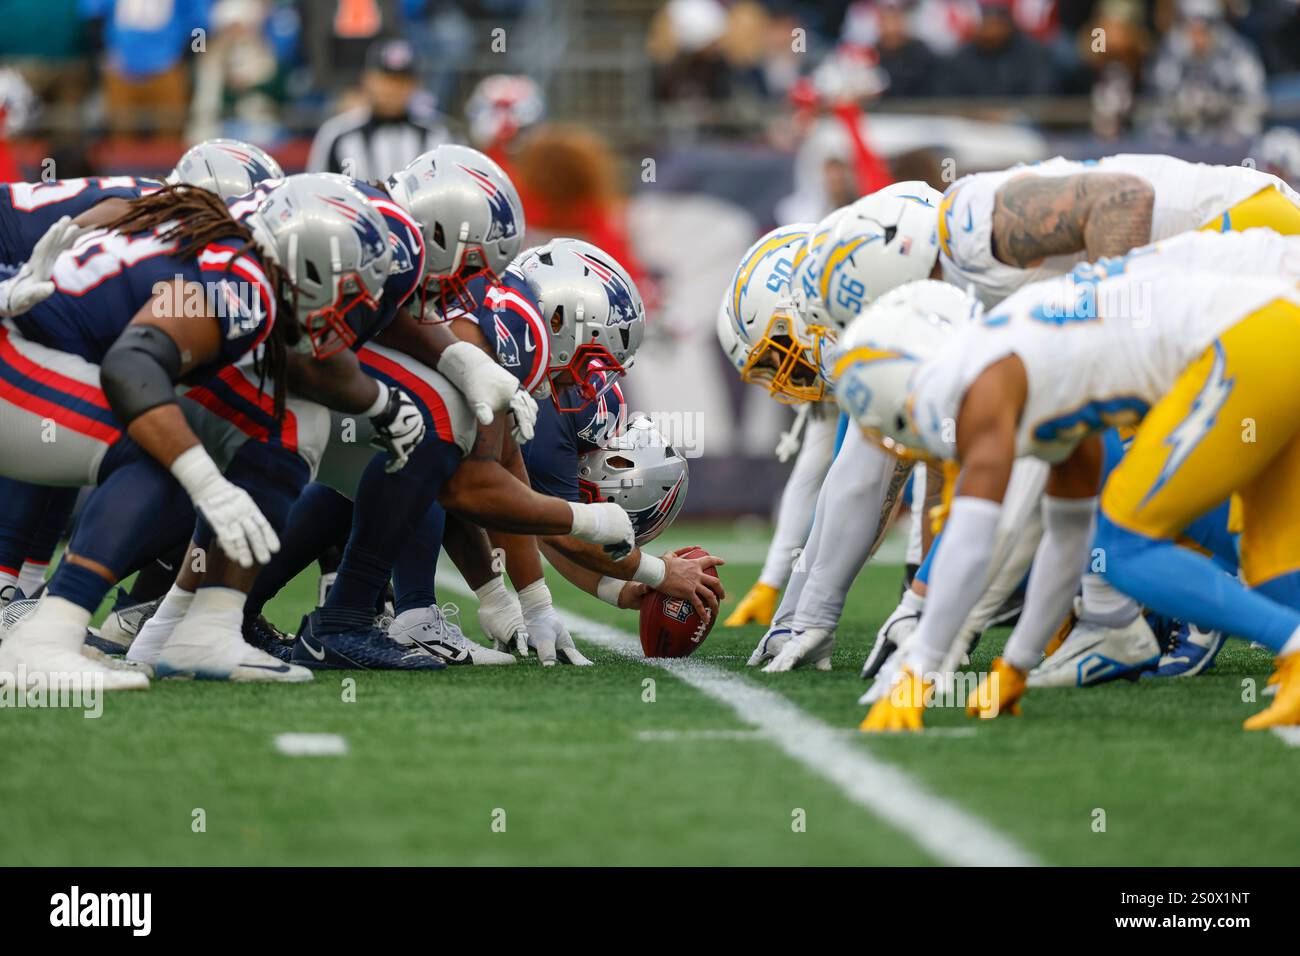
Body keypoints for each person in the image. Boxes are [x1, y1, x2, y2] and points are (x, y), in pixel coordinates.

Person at [835, 230, 1300, 732]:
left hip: (1244, 342)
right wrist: (1016, 660)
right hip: (1271, 331)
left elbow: (973, 539)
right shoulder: (1038, 367)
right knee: (1270, 549)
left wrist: (920, 666)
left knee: (1125, 547)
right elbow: (1069, 539)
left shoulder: (986, 382)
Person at [307, 37, 451, 181]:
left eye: (401, 81)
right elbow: (317, 190)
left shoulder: (438, 135)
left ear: (415, 84)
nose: (392, 89)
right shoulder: (337, 133)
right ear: (367, 80)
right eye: (385, 79)